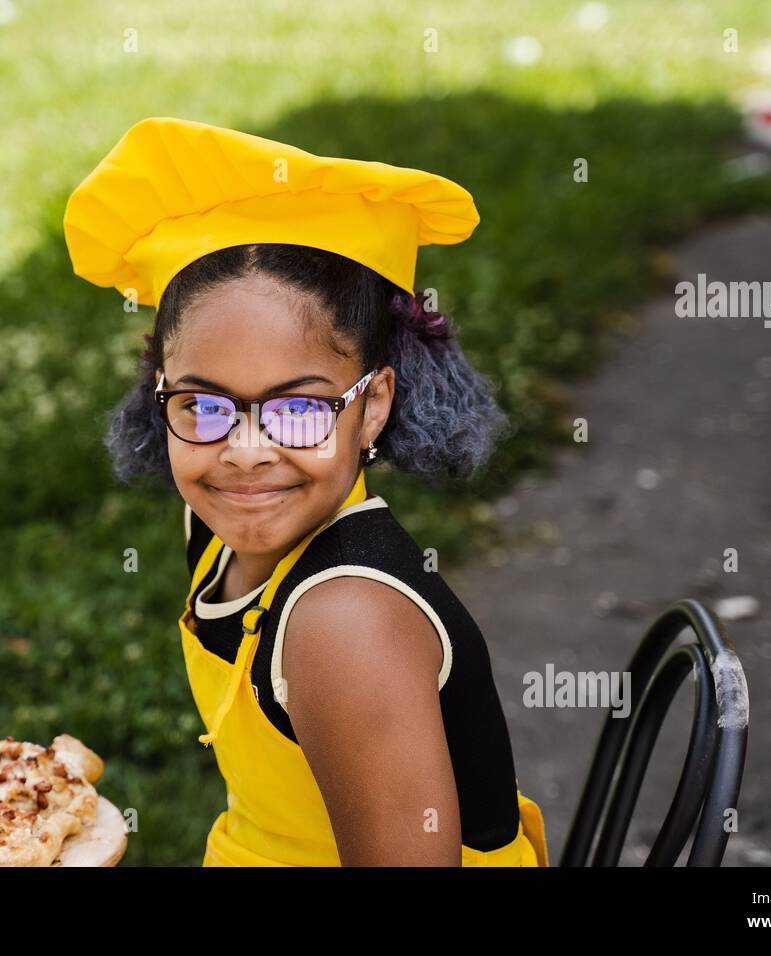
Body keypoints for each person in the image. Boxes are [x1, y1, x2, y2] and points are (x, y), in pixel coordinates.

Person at [64, 116, 548, 867]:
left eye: (297, 409)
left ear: (374, 404)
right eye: (206, 404)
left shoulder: (344, 622)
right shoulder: (220, 527)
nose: (246, 453)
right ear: (162, 391)